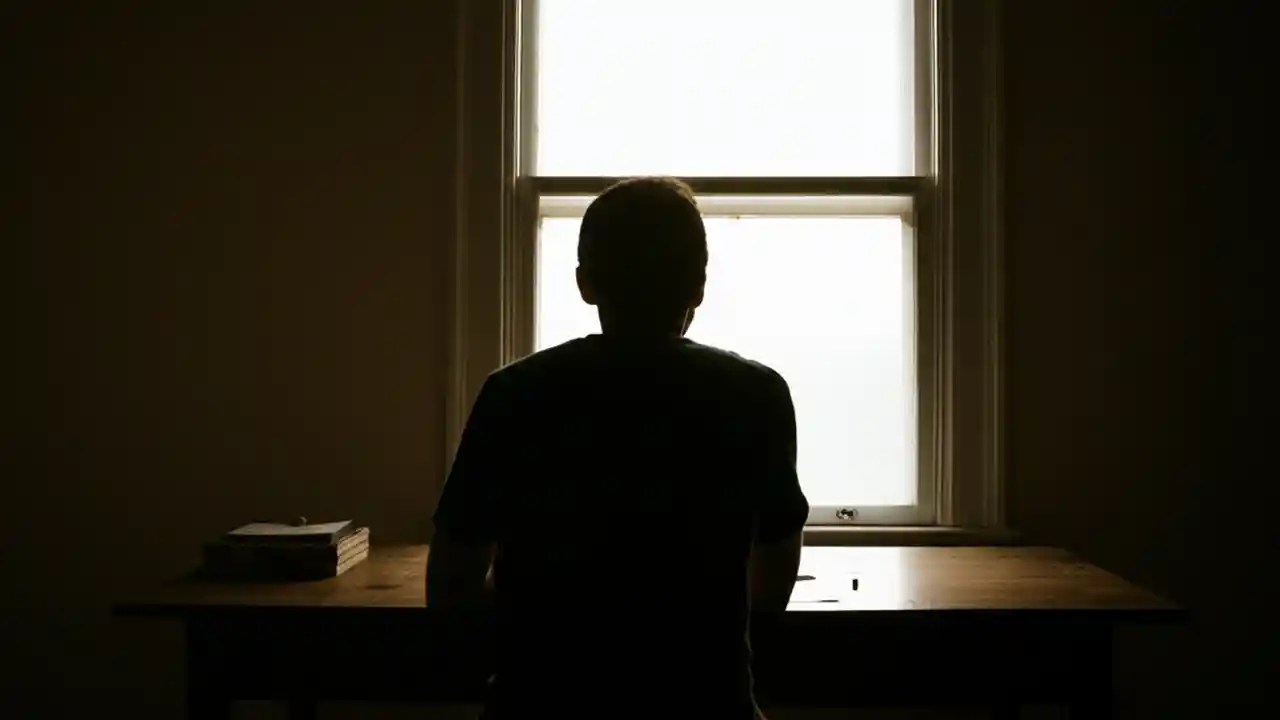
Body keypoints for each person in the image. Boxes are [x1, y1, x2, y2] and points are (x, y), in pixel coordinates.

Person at [427, 176, 808, 719]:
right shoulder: (755, 394)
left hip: (543, 702)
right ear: (697, 285)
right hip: (703, 702)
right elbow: (773, 574)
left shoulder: (516, 394)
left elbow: (452, 580)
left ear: (586, 283)